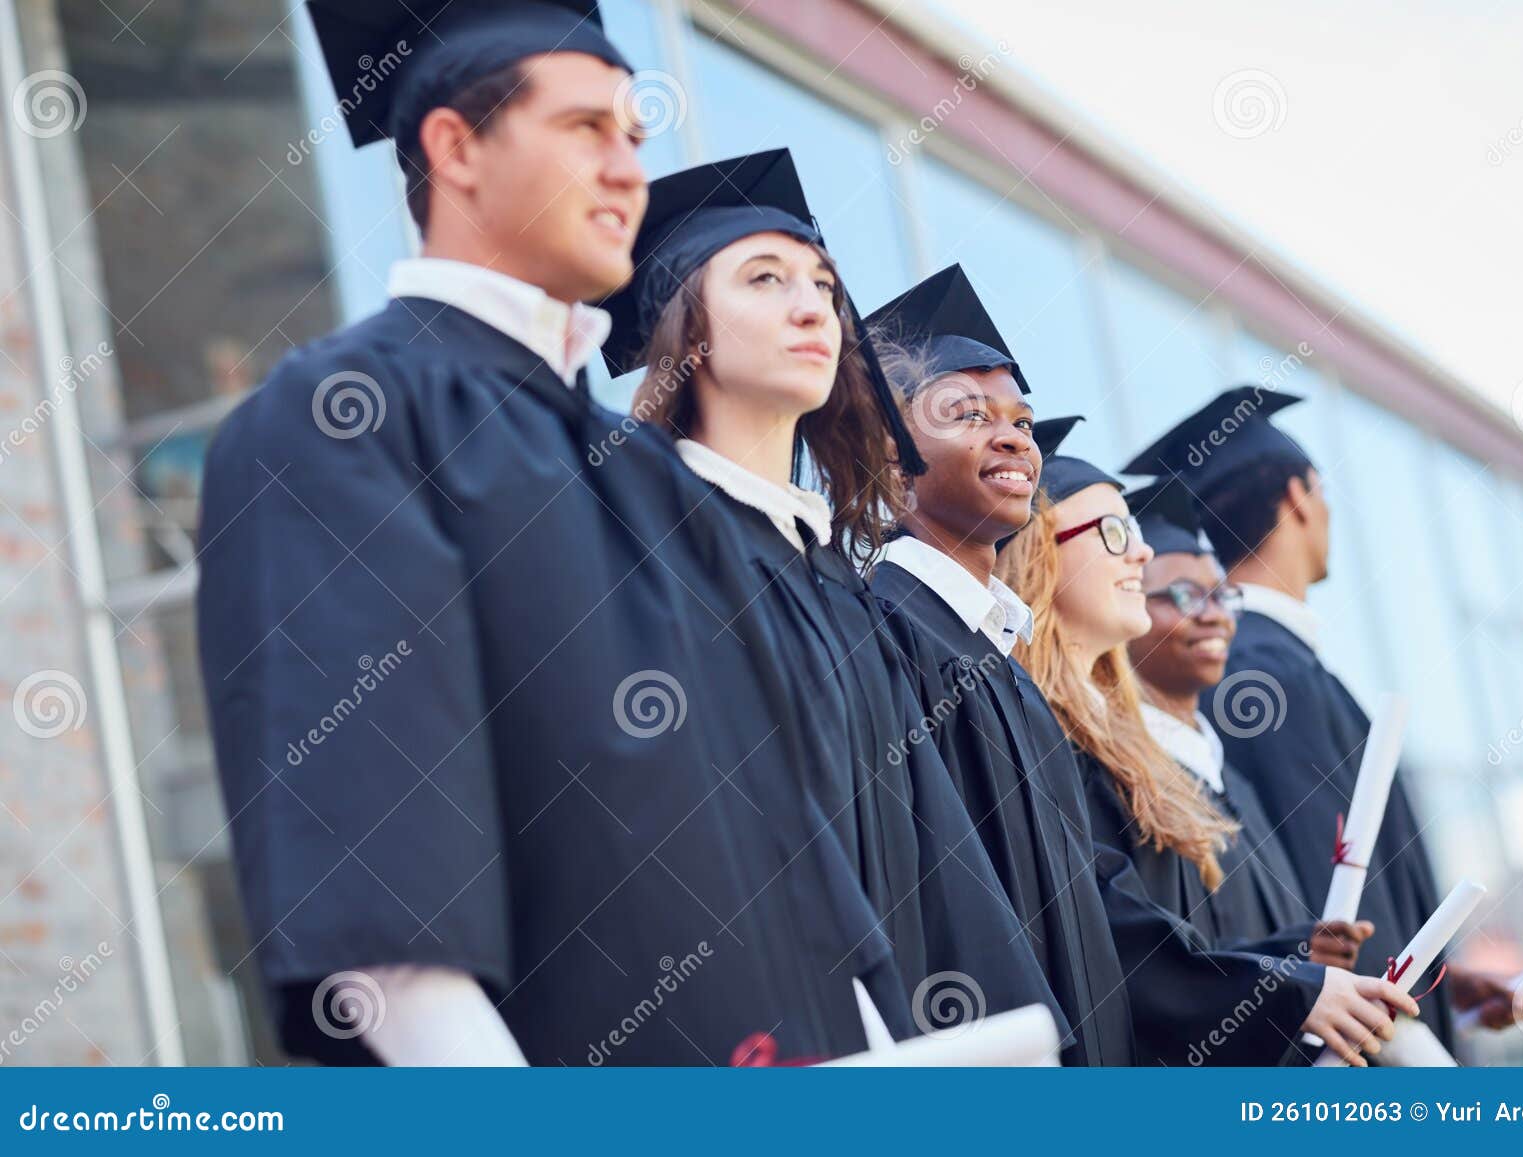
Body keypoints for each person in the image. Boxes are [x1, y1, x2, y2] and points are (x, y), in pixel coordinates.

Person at [198, 0, 907, 1067]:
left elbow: (793, 854)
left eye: (634, 133)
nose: (628, 169)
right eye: (586, 128)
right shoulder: (348, 416)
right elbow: (380, 908)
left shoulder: (656, 485)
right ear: (455, 147)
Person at [865, 267, 1416, 1065]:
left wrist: (1292, 962)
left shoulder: (1013, 686)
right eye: (1116, 537)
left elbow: (1096, 917)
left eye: (1020, 418)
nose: (1145, 558)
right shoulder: (892, 634)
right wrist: (1285, 987)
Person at [593, 149, 1063, 1040]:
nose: (812, 305)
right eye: (764, 279)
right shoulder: (628, 548)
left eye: (822, 283)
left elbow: (939, 870)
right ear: (680, 328)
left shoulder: (846, 594)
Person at [1124, 385, 1523, 1046]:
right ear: (1297, 496)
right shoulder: (1265, 669)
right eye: (1323, 493)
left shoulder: (1268, 663)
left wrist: (1443, 985)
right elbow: (1334, 903)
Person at [1120, 478, 1372, 966]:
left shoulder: (1233, 781)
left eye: (1221, 596)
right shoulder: (1122, 778)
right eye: (1185, 596)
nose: (1214, 616)